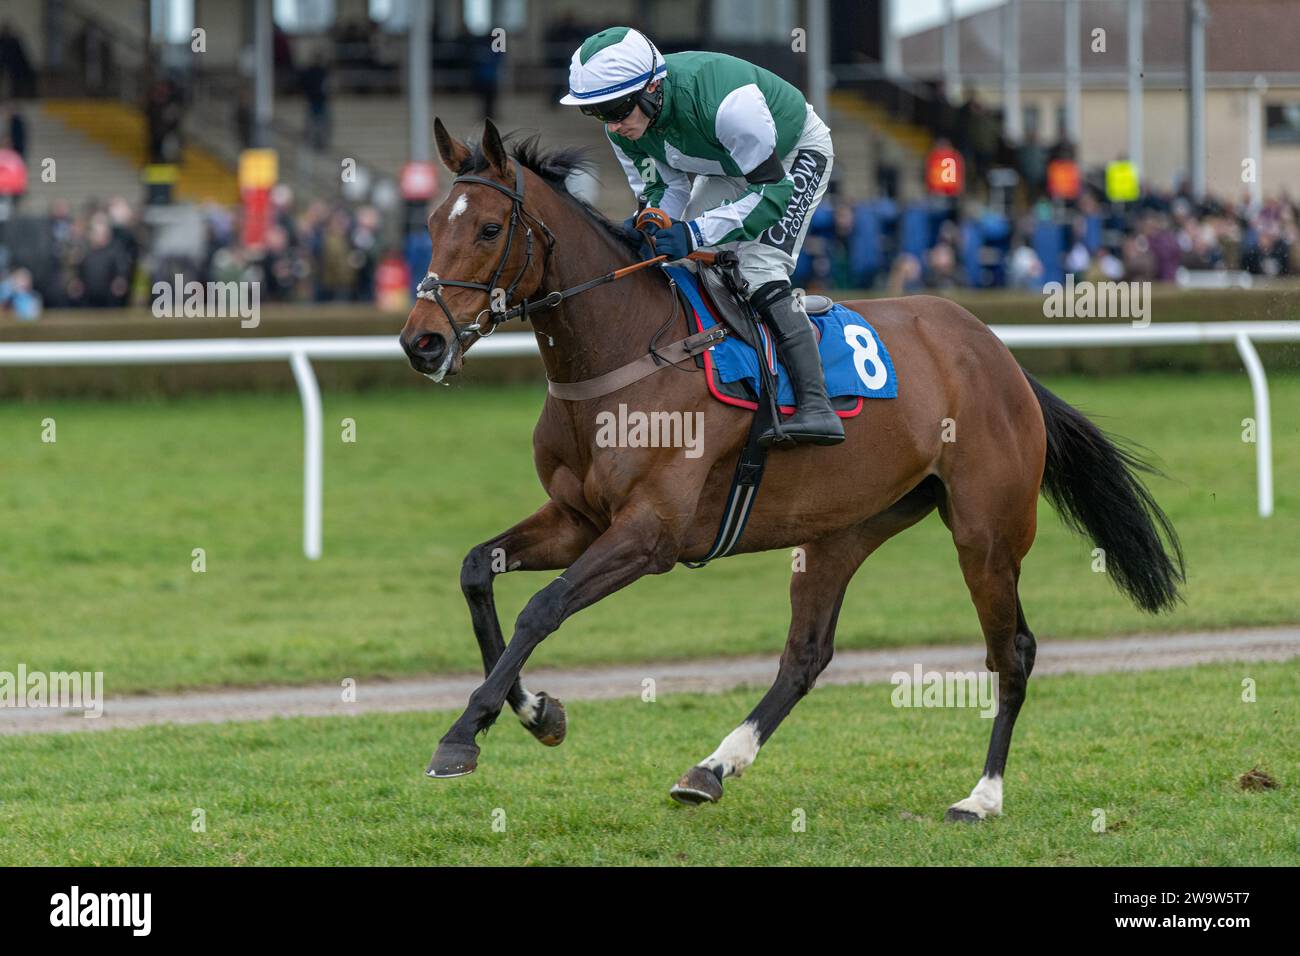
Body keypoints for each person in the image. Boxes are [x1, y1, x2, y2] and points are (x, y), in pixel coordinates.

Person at [559, 26, 842, 446]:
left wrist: (691, 232)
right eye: (597, 112)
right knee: (681, 264)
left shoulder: (731, 106)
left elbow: (771, 192)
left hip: (790, 158)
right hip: (726, 164)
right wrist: (651, 224)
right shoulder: (626, 125)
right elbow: (664, 189)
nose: (613, 125)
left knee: (758, 268)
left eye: (617, 109)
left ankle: (816, 406)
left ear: (654, 88)